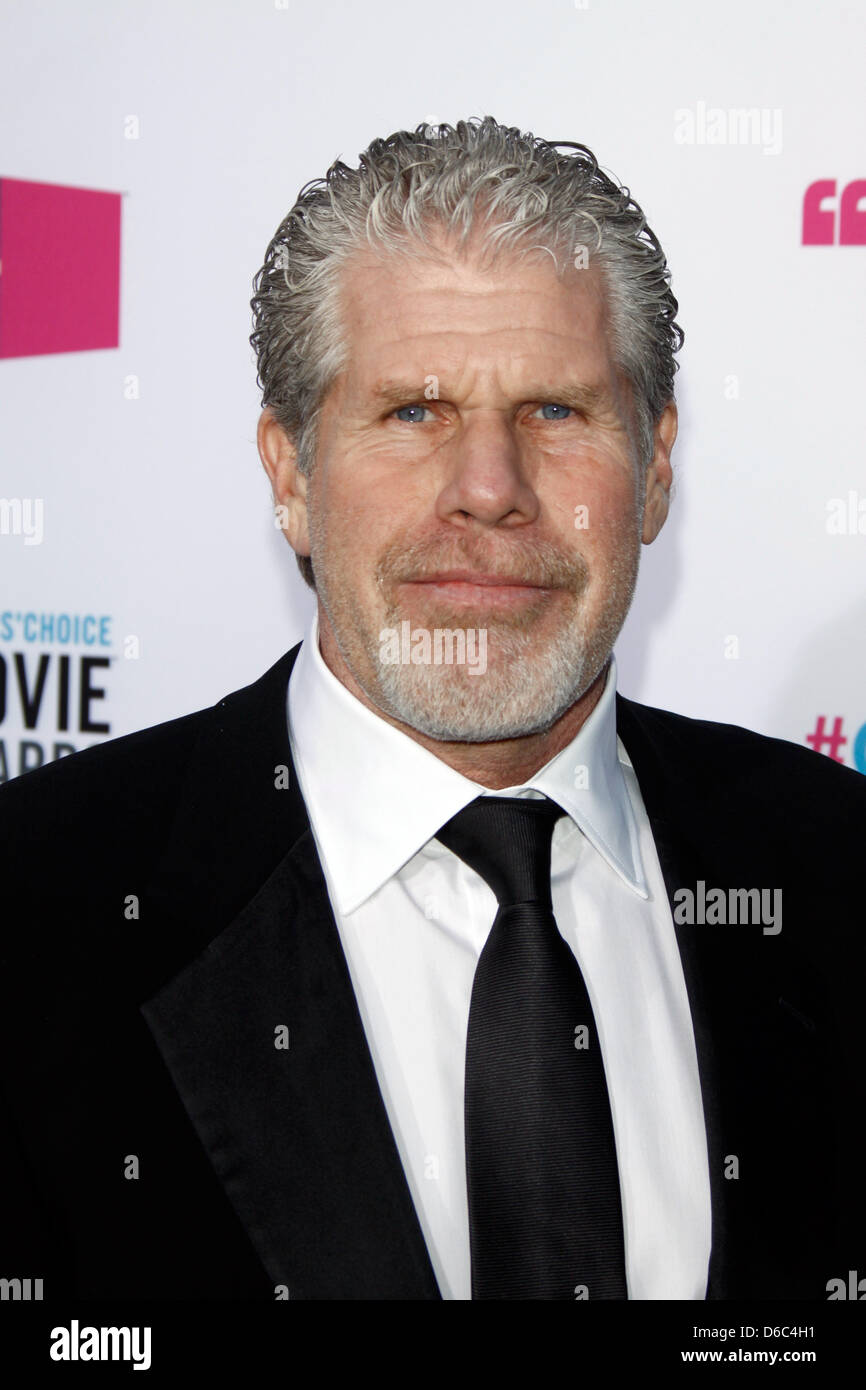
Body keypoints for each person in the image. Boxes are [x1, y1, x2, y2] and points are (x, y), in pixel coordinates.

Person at [0, 116, 863, 1303]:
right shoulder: (37, 907)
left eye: (555, 411)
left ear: (654, 469)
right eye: (414, 411)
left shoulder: (837, 867)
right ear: (290, 476)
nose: (489, 490)